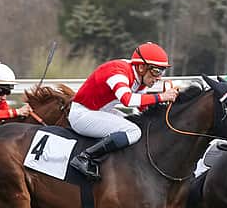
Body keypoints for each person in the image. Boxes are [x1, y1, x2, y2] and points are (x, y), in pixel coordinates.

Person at [68, 42, 179, 181]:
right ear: (141, 67)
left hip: (100, 111)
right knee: (133, 131)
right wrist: (160, 97)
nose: (159, 77)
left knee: (138, 125)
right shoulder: (117, 71)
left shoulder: (140, 79)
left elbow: (142, 108)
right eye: (156, 71)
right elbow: (127, 100)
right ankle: (85, 157)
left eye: (162, 71)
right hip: (82, 115)